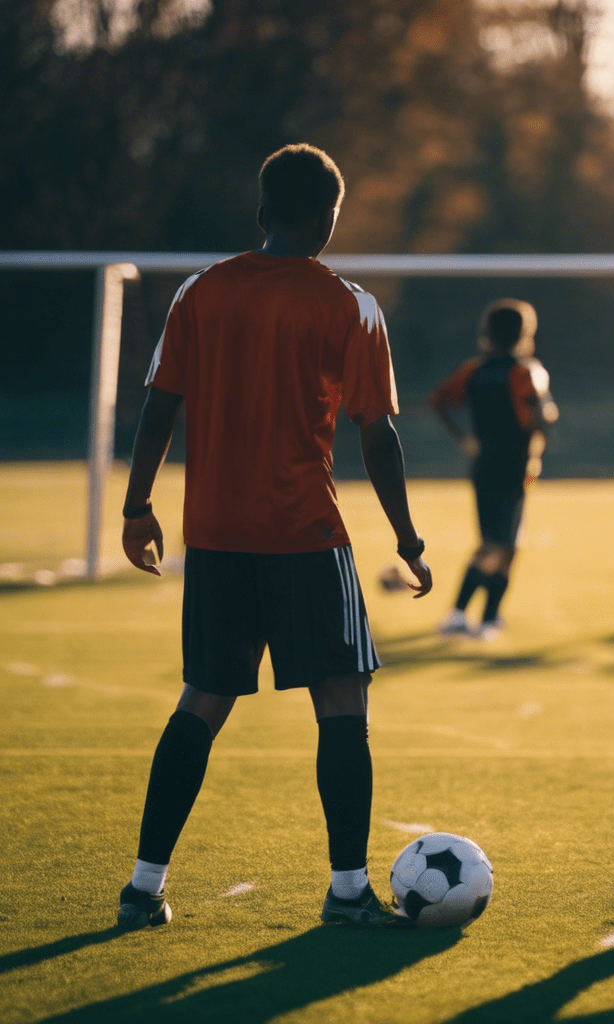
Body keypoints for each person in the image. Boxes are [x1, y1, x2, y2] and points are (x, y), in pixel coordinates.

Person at [116, 143, 432, 931]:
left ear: (261, 212)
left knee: (204, 700)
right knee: (343, 702)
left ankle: (143, 886)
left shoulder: (202, 292)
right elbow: (379, 432)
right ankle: (350, 892)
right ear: (331, 217)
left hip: (216, 537)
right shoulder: (350, 305)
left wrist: (136, 506)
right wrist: (408, 536)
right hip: (304, 535)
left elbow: (158, 407)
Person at [430, 299, 558, 640]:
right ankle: (459, 615)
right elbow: (542, 418)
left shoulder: (473, 370)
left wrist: (465, 438)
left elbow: (439, 401)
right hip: (514, 465)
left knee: (504, 542)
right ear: (525, 333)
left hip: (484, 463)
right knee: (498, 543)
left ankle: (488, 618)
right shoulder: (526, 372)